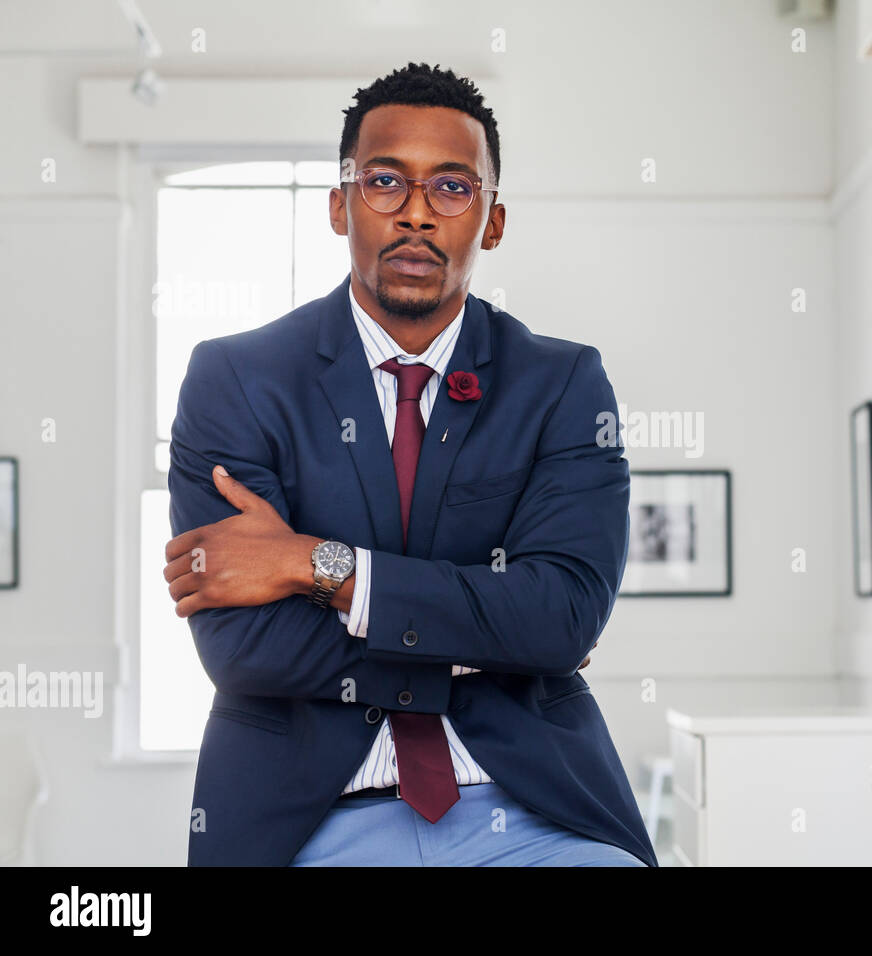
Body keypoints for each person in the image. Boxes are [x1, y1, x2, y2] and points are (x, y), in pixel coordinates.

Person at [162, 62, 655, 867]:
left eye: (453, 188)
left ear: (492, 221)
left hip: (535, 813)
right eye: (385, 181)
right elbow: (243, 646)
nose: (417, 214)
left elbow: (564, 616)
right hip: (308, 822)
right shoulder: (237, 381)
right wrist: (494, 636)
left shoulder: (562, 384)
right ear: (340, 204)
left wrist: (313, 565)